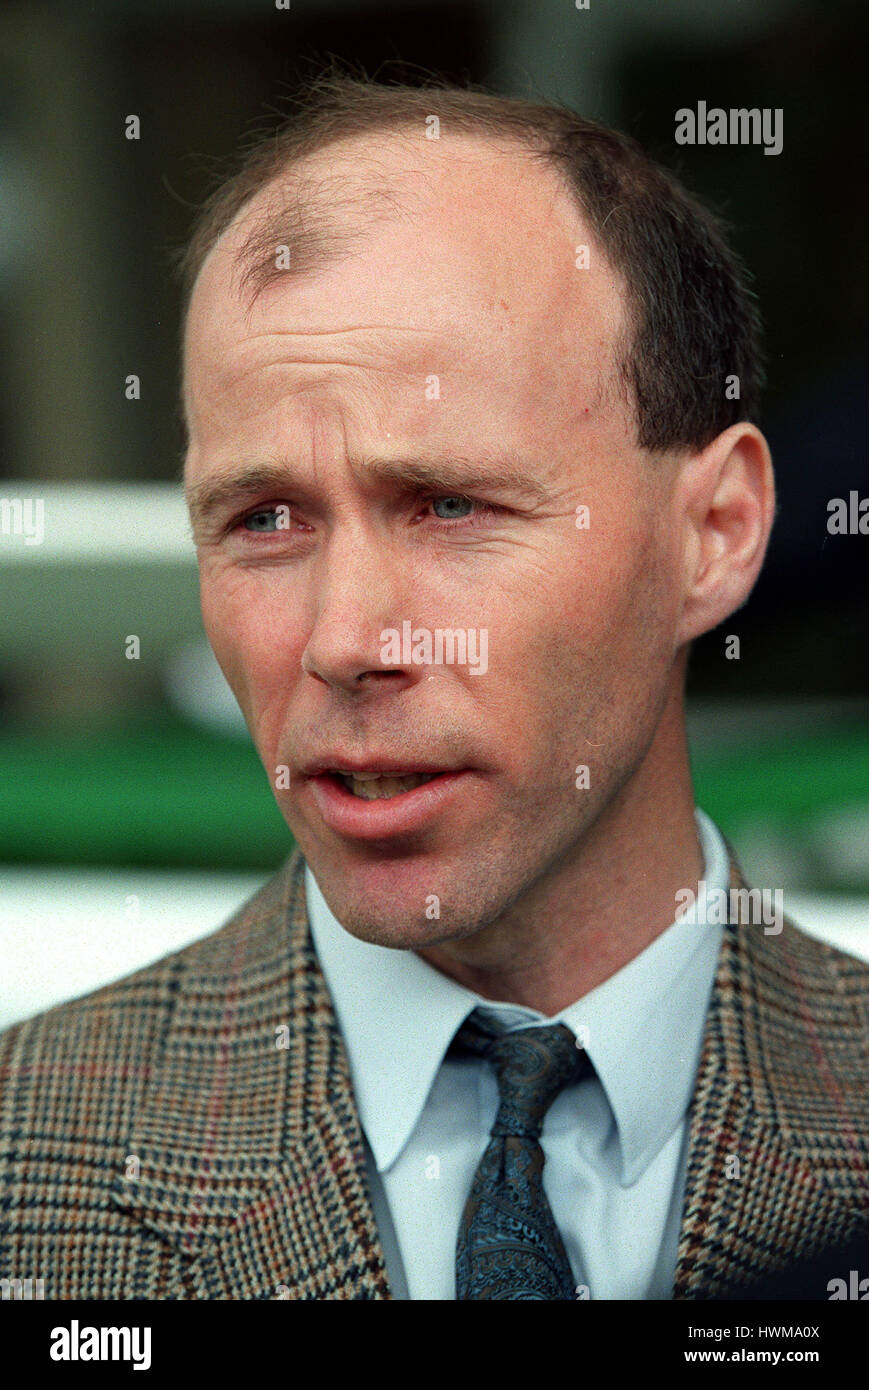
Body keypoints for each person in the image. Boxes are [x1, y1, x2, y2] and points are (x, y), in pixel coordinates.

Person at [1, 73, 866, 1301]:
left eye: (450, 505)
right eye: (262, 520)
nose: (346, 639)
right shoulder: (25, 1168)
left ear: (715, 532)